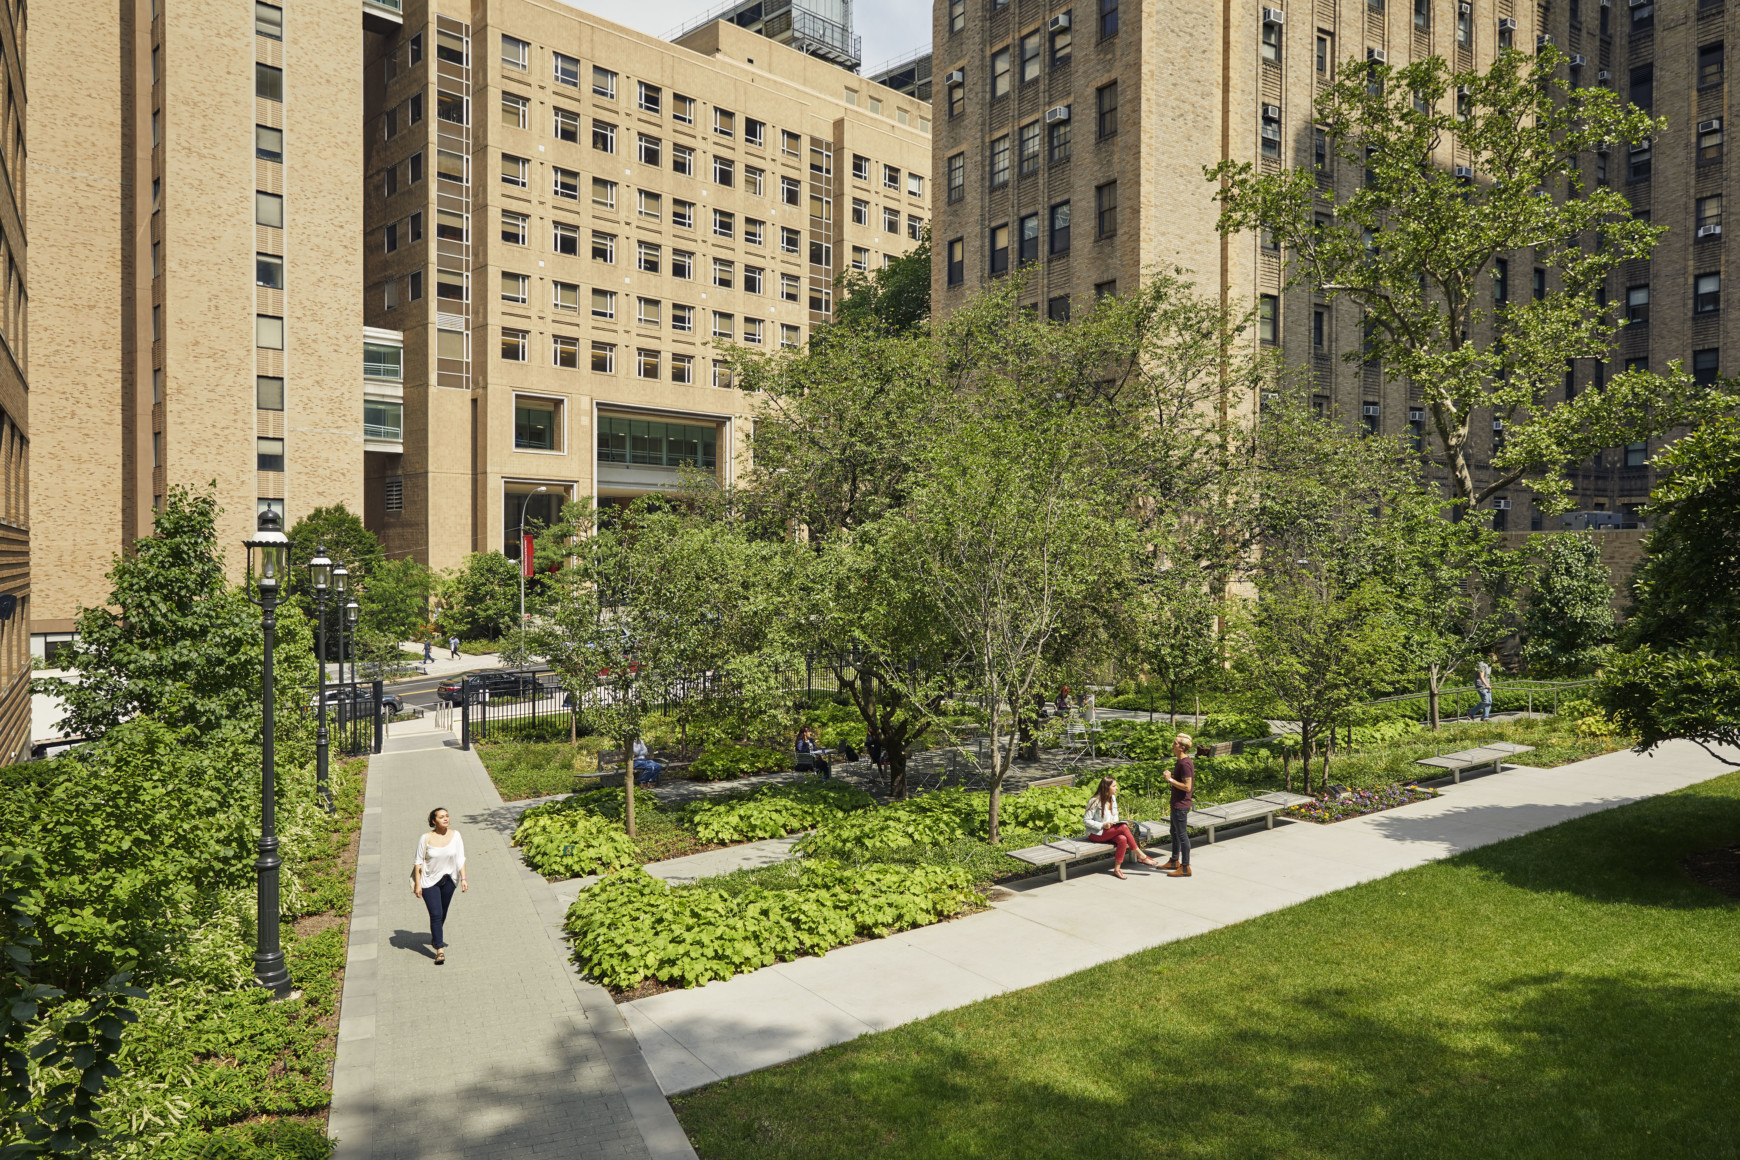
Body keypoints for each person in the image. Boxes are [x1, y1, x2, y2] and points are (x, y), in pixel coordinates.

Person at [412, 807, 468, 965]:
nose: (446, 819)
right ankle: (439, 949)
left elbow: (460, 858)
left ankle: (436, 935)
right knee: (436, 914)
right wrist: (418, 885)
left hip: (449, 880)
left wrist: (463, 878)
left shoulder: (456, 835)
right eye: (441, 817)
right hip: (429, 882)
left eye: (447, 816)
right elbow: (418, 863)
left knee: (442, 913)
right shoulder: (425, 838)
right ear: (433, 821)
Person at [1084, 776, 1159, 880]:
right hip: (1096, 833)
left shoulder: (1113, 798)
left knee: (1122, 839)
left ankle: (1117, 869)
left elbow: (1115, 815)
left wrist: (1114, 822)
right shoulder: (1094, 801)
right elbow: (1086, 821)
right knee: (1123, 827)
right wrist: (1102, 825)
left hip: (1110, 831)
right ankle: (1141, 856)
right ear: (1106, 787)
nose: (1117, 788)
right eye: (1114, 786)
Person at [1161, 734, 1196, 877]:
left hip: (1181, 805)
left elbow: (1188, 787)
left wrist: (1170, 780)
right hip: (1176, 803)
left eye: (1175, 743)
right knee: (1174, 832)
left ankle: (1185, 867)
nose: (1172, 744)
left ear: (1182, 747)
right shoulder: (1180, 761)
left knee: (1182, 835)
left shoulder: (1185, 764)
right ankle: (1174, 860)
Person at [1473, 652, 1495, 722]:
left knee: (1489, 701)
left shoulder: (1489, 665)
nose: (1494, 661)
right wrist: (1486, 685)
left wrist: (1488, 685)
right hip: (1481, 685)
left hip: (1487, 685)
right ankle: (1471, 712)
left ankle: (1485, 718)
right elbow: (1481, 676)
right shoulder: (1482, 664)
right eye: (1493, 659)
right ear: (1489, 658)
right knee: (1485, 701)